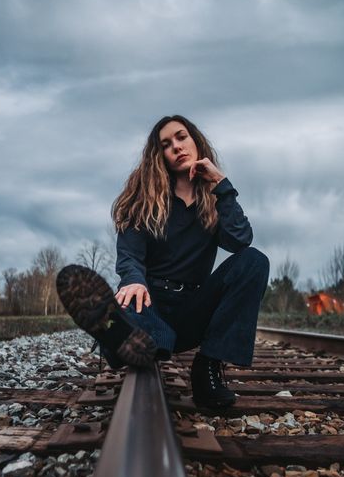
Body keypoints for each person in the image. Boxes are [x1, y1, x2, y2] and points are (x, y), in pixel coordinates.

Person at [57, 115, 269, 410]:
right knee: (143, 327)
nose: (177, 147)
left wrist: (221, 185)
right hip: (150, 301)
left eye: (182, 137)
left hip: (193, 308)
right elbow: (130, 254)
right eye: (166, 144)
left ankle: (206, 368)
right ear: (160, 156)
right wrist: (133, 279)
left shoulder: (214, 200)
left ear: (195, 140)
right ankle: (119, 336)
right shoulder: (143, 198)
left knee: (254, 261)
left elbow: (240, 240)